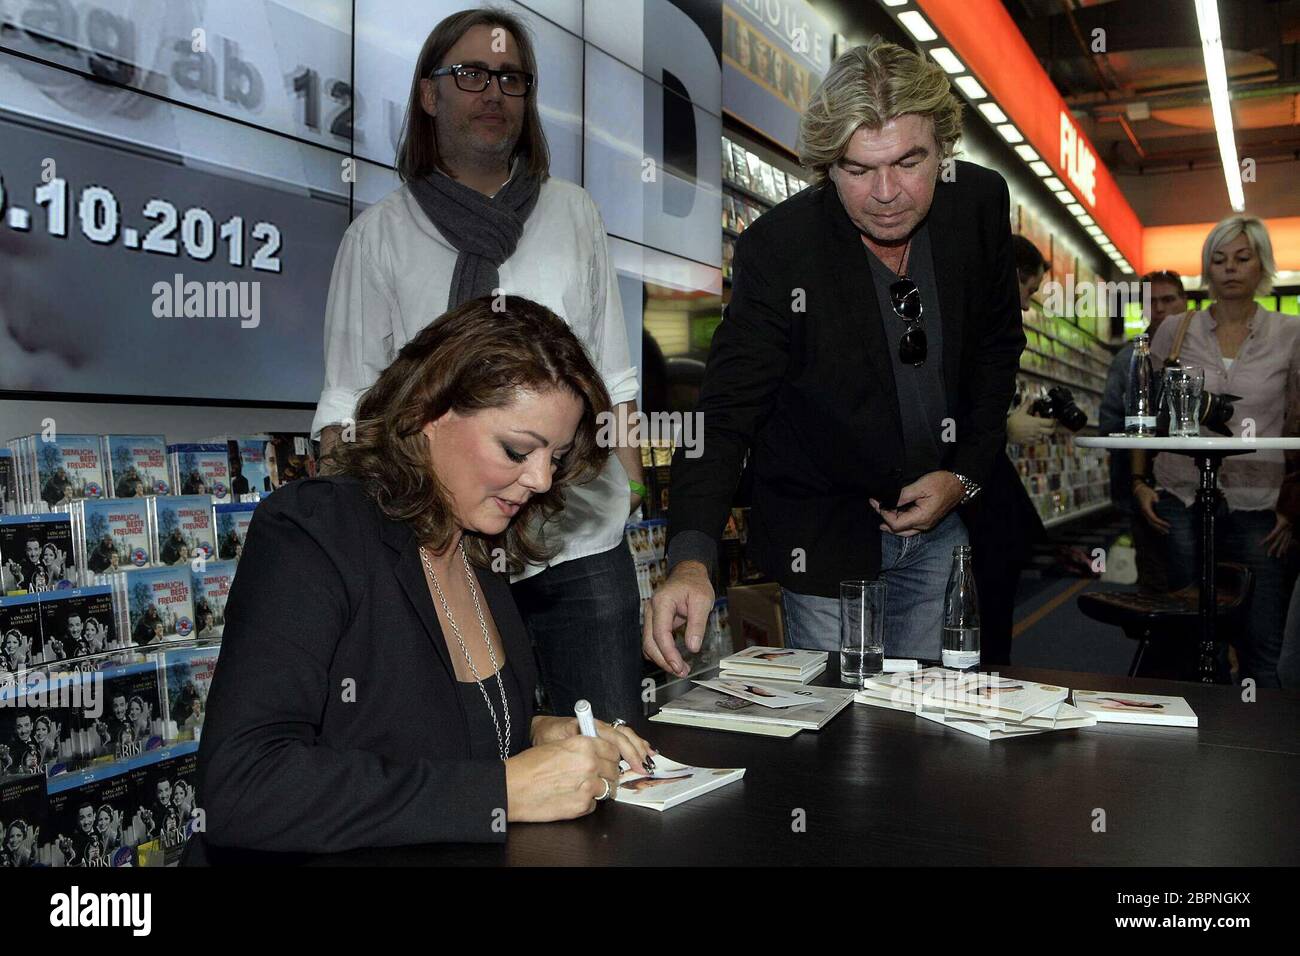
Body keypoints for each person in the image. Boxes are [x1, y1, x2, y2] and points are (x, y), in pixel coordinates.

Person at [187, 296, 656, 864]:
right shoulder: (313, 530)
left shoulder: (480, 543)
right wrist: (503, 791)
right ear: (428, 415)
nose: (539, 479)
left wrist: (536, 733)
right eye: (517, 450)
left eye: (555, 457)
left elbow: (415, 730)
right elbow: (243, 785)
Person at [646, 39, 1023, 672]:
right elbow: (727, 409)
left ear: (944, 149)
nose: (885, 193)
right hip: (823, 538)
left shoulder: (978, 204)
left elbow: (996, 350)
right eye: (856, 169)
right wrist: (690, 559)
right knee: (841, 746)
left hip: (943, 530)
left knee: (932, 733)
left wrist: (964, 476)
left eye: (909, 162)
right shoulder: (780, 249)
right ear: (825, 167)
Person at [311, 8, 645, 720]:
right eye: (470, 74)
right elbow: (347, 408)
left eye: (512, 79)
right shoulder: (378, 237)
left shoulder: (574, 213)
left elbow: (614, 384)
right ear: (429, 94)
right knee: (475, 763)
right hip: (444, 552)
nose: (494, 93)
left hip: (582, 546)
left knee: (614, 754)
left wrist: (636, 508)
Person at [1132, 216, 1300, 686]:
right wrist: (1139, 482)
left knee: (1262, 639)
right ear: (1206, 268)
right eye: (1219, 259)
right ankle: (1189, 745)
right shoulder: (1175, 332)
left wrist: (1294, 504)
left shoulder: (1291, 334)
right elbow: (1146, 412)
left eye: (1242, 258)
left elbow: (1299, 418)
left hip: (1260, 504)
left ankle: (1263, 747)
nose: (1229, 269)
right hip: (1181, 497)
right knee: (1187, 630)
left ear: (1262, 264)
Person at [968, 235, 1052, 666]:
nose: (1026, 305)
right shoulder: (979, 318)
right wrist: (1006, 428)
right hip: (971, 493)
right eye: (1029, 290)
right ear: (1014, 276)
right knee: (989, 599)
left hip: (981, 489)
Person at [1100, 270, 1187, 592]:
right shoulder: (1127, 360)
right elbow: (1110, 425)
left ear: (1185, 302)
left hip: (1203, 487)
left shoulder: (1201, 354)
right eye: (1152, 301)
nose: (1161, 308)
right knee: (1156, 582)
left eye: (1169, 299)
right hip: (1144, 489)